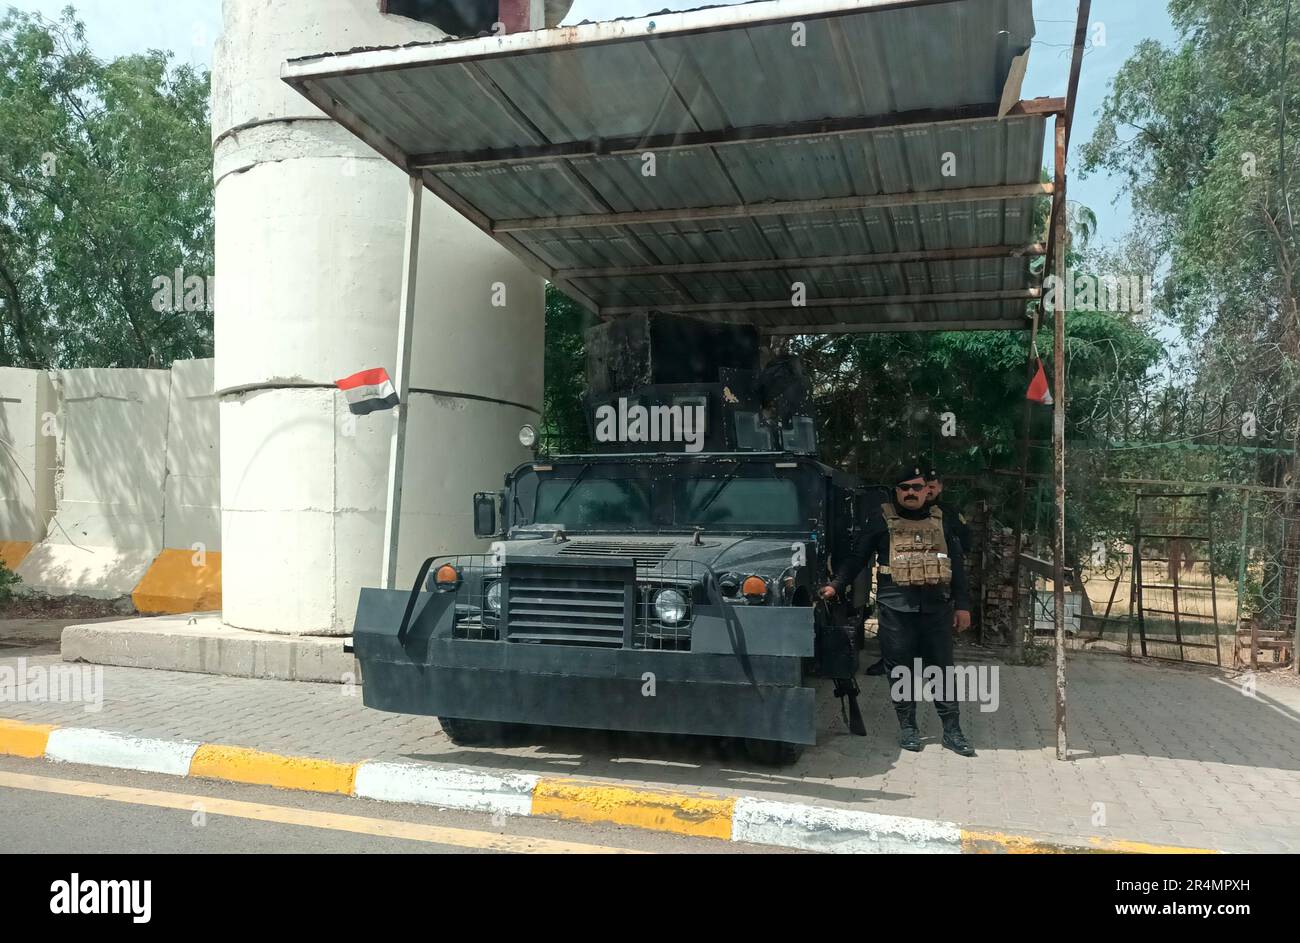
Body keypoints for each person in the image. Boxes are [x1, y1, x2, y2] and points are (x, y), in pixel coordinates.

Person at [819, 462, 976, 756]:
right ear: (897, 491)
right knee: (900, 670)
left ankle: (952, 731)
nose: (911, 493)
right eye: (905, 488)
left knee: (941, 669)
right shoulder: (881, 520)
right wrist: (836, 585)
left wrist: (963, 606)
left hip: (936, 608)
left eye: (917, 487)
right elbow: (857, 557)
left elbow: (957, 565)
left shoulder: (942, 520)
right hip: (895, 608)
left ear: (925, 490)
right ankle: (908, 728)